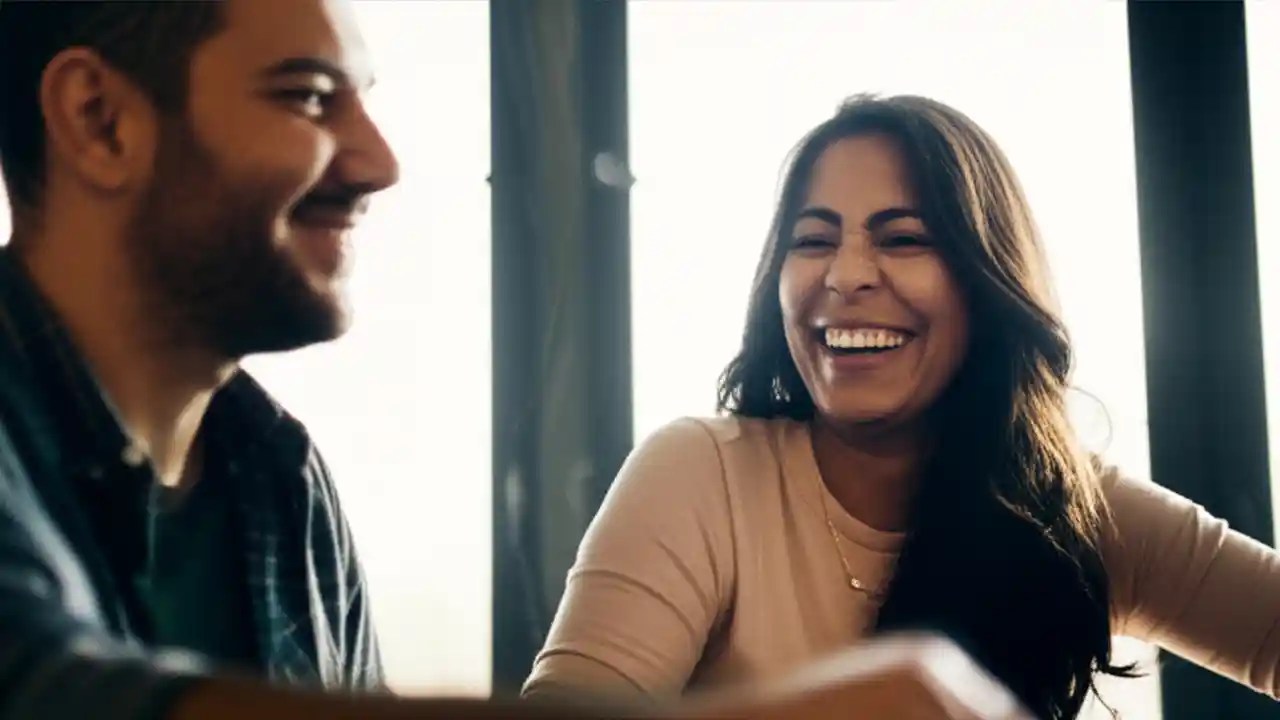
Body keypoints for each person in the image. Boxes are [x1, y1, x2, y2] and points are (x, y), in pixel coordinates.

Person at [0, 2, 1033, 719]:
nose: (379, 161)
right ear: (100, 120)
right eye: (309, 97)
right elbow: (46, 696)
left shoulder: (278, 482)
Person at [523, 94, 1280, 719]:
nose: (846, 276)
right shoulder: (699, 473)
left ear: (986, 284)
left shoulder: (1073, 510)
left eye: (905, 239)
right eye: (813, 240)